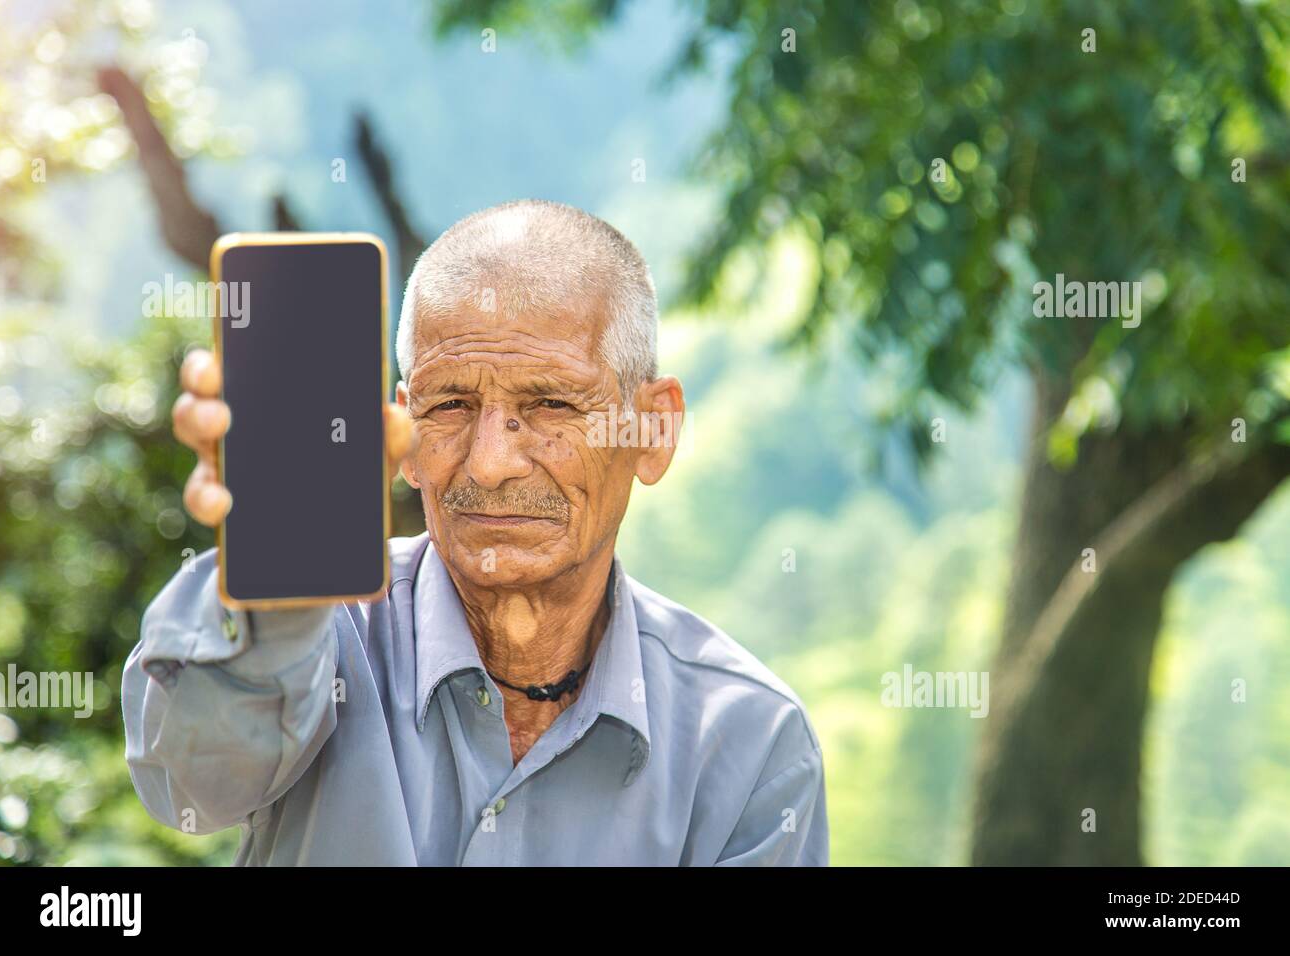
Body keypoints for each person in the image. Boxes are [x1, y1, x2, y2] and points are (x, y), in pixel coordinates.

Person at [122, 198, 828, 865]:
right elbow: (190, 787)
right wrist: (276, 574)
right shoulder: (317, 634)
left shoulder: (749, 744)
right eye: (450, 405)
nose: (489, 464)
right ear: (401, 433)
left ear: (652, 428)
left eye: (550, 404)